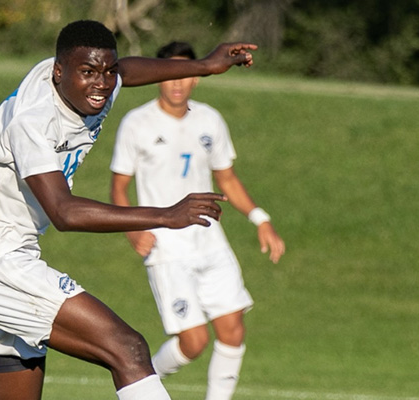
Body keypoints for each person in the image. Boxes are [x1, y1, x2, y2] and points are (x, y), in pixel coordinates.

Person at [0, 20, 253, 400]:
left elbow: (129, 70)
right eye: (89, 72)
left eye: (108, 71)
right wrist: (166, 215)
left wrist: (204, 65)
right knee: (128, 349)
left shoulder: (84, 81)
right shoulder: (33, 122)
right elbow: (65, 212)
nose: (102, 83)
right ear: (60, 71)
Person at [109, 41, 286, 400]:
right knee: (193, 341)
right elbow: (118, 187)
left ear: (196, 79)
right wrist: (132, 228)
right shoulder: (137, 123)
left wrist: (260, 219)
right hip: (167, 244)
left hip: (210, 239)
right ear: (159, 77)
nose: (178, 83)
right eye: (171, 74)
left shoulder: (210, 120)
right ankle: (141, 381)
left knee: (233, 330)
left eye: (186, 74)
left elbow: (228, 180)